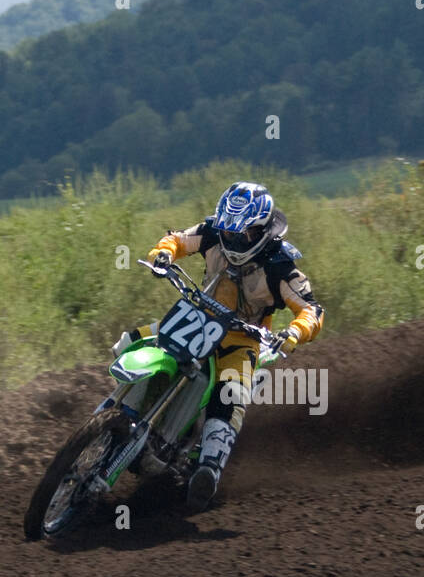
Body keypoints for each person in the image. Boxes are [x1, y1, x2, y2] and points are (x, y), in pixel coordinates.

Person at [111, 182, 324, 511]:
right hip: (197, 316)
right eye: (231, 231)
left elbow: (311, 309)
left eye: (244, 234)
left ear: (263, 231)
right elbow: (179, 238)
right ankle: (117, 415)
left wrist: (293, 333)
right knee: (132, 340)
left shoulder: (281, 265)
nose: (235, 239)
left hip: (243, 338)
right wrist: (163, 254)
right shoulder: (213, 230)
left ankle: (208, 468)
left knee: (232, 393)